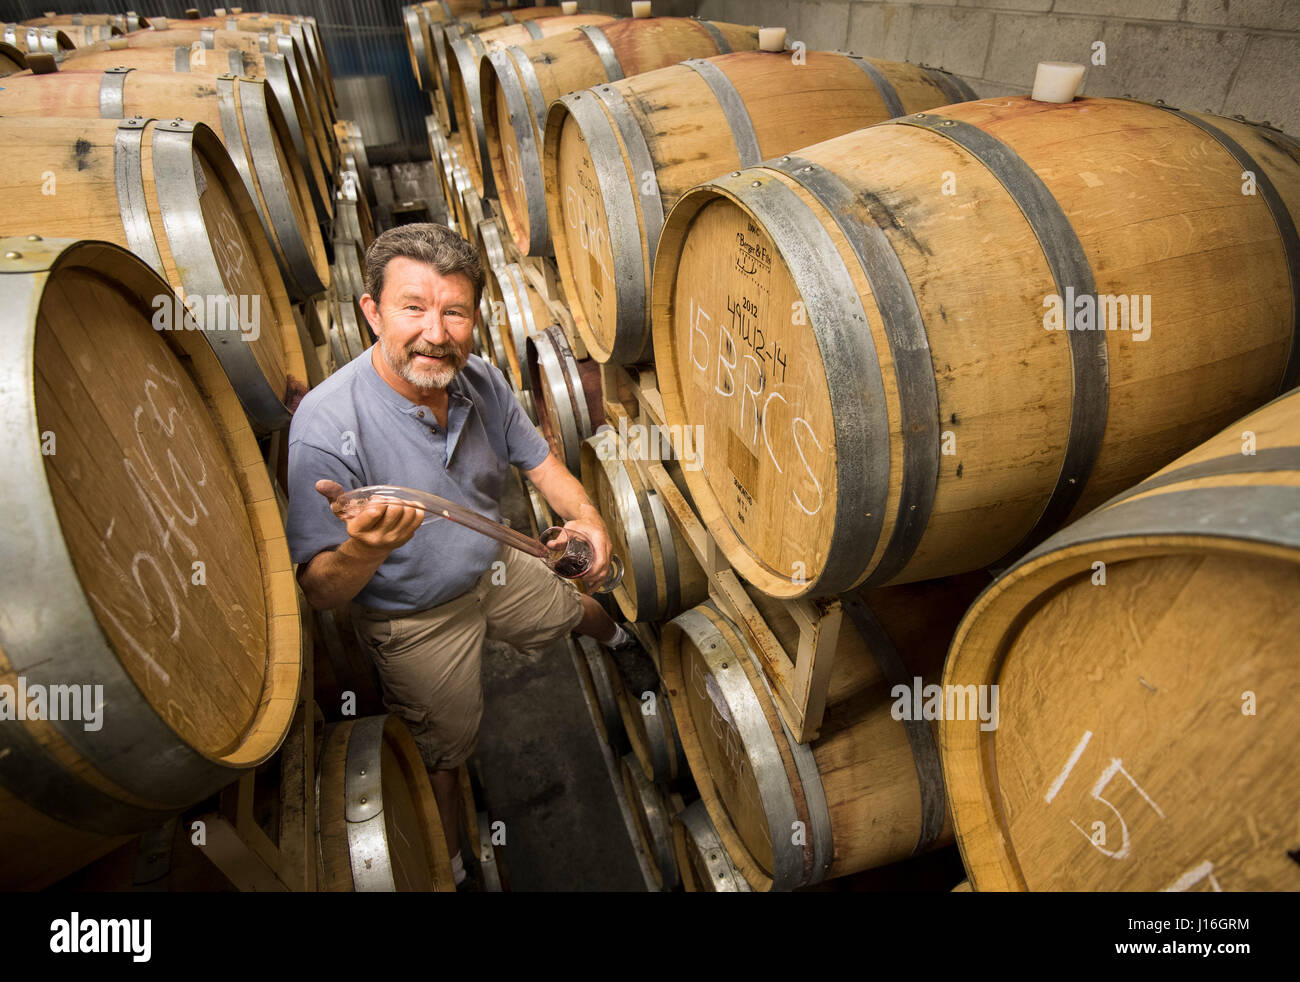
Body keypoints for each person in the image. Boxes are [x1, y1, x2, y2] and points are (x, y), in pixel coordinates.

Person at [286, 223, 637, 889]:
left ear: (475, 315)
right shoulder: (326, 430)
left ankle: (620, 640)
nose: (436, 332)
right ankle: (455, 864)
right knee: (443, 754)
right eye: (412, 308)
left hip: (497, 566)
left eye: (454, 311)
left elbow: (540, 463)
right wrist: (363, 552)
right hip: (417, 618)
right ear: (372, 311)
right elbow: (320, 590)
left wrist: (586, 517)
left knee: (573, 607)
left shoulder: (479, 379)